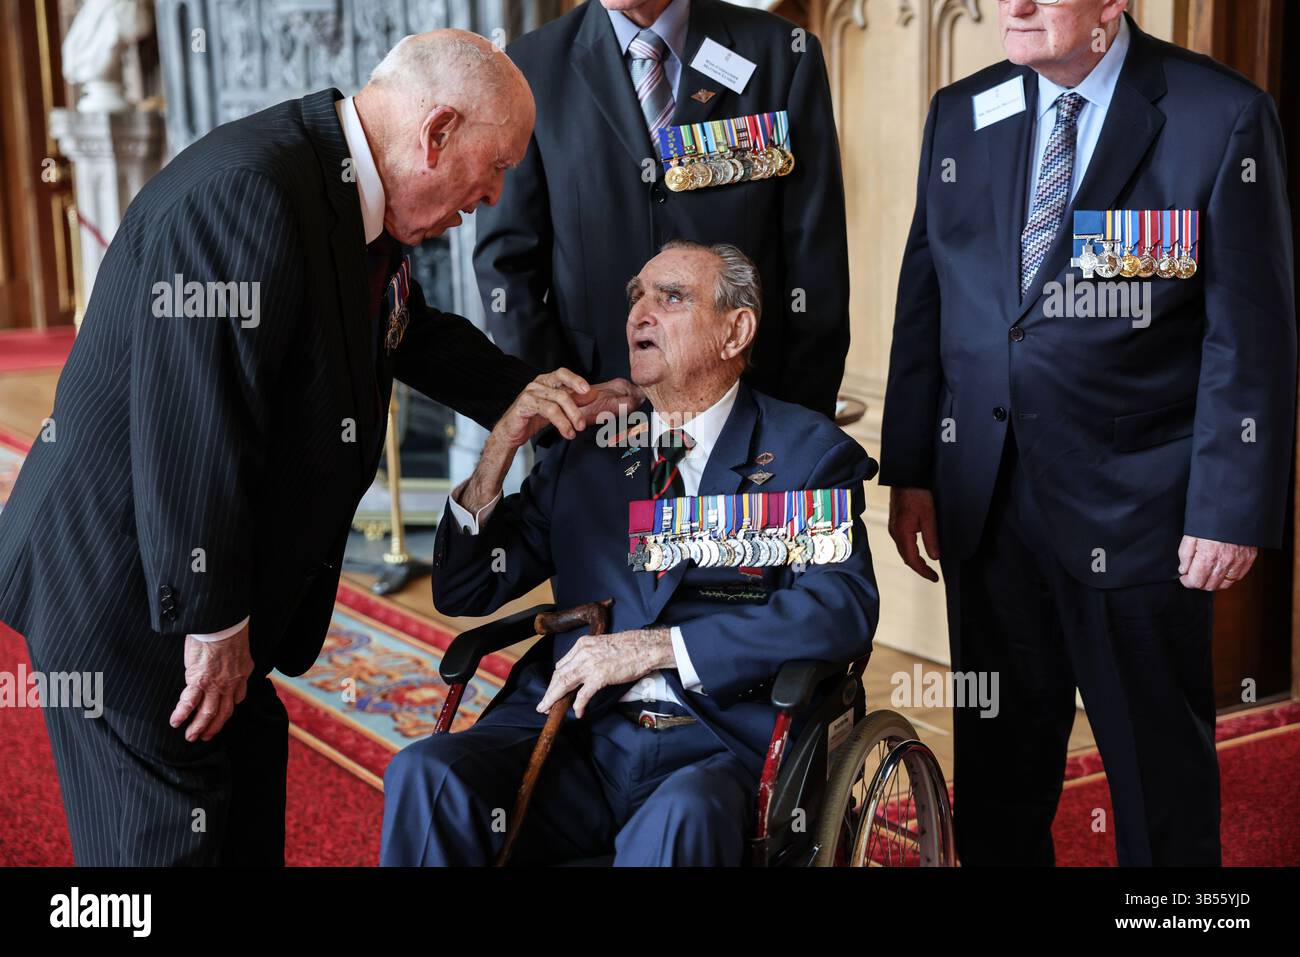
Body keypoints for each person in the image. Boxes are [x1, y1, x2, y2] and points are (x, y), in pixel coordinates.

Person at [0, 29, 634, 866]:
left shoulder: (346, 190)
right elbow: (195, 420)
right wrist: (215, 619)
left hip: (206, 588)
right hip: (131, 588)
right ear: (436, 131)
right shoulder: (249, 193)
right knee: (160, 845)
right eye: (498, 164)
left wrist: (526, 394)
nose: (493, 194)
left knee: (247, 791)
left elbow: (403, 329)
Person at [880, 0, 1295, 866]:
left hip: (1138, 507)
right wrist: (913, 467)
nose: (1017, 7)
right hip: (984, 503)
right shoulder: (962, 110)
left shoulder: (1219, 116)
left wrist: (1228, 508)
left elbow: (1247, 336)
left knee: (1158, 780)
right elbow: (927, 299)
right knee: (999, 772)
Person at [381, 241, 879, 865]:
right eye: (635, 297)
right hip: (576, 737)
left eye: (670, 297)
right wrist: (500, 449)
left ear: (736, 331)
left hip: (716, 744)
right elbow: (466, 591)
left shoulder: (804, 454)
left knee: (677, 821)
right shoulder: (590, 453)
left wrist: (660, 647)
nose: (640, 313)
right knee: (427, 775)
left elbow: (840, 606)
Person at [473, 0, 850, 419]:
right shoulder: (530, 66)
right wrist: (557, 408)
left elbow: (817, 258)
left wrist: (800, 423)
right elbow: (506, 264)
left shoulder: (782, 54)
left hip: (755, 410)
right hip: (593, 417)